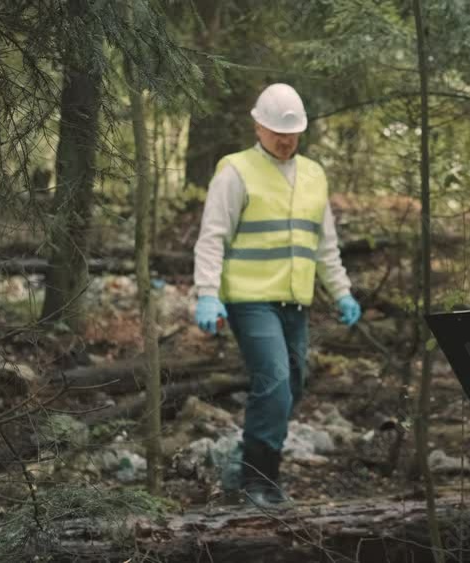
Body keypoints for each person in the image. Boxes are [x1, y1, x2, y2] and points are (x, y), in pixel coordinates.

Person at [193, 83, 362, 507]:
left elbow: (325, 245)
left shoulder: (314, 175)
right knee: (274, 382)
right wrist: (207, 293)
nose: (286, 141)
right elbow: (212, 237)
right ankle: (258, 482)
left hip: (295, 302)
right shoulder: (235, 171)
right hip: (249, 299)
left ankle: (246, 464)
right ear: (258, 127)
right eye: (277, 133)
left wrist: (342, 292)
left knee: (292, 386)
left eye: (293, 134)